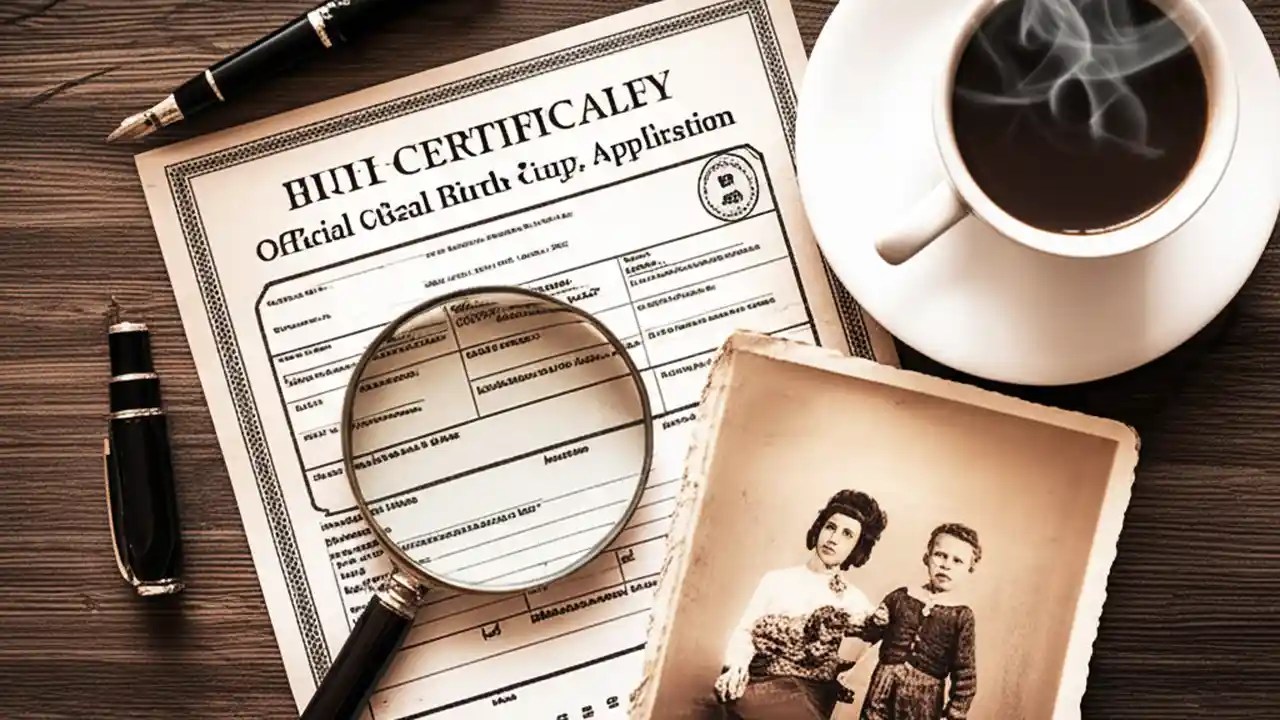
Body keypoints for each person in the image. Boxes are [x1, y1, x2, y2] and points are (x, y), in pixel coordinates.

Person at [711, 489, 889, 720]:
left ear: (857, 548)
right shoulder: (776, 579)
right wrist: (737, 667)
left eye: (847, 534)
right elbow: (746, 630)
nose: (833, 539)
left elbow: (878, 645)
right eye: (830, 527)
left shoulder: (854, 600)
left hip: (810, 696)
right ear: (819, 528)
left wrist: (842, 670)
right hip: (759, 681)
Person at [844, 523, 981, 720]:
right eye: (940, 555)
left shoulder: (961, 615)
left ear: (970, 568)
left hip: (924, 697)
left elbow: (965, 673)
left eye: (957, 560)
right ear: (927, 557)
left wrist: (955, 713)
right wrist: (876, 623)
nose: (946, 565)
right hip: (882, 686)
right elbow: (868, 637)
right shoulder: (900, 597)